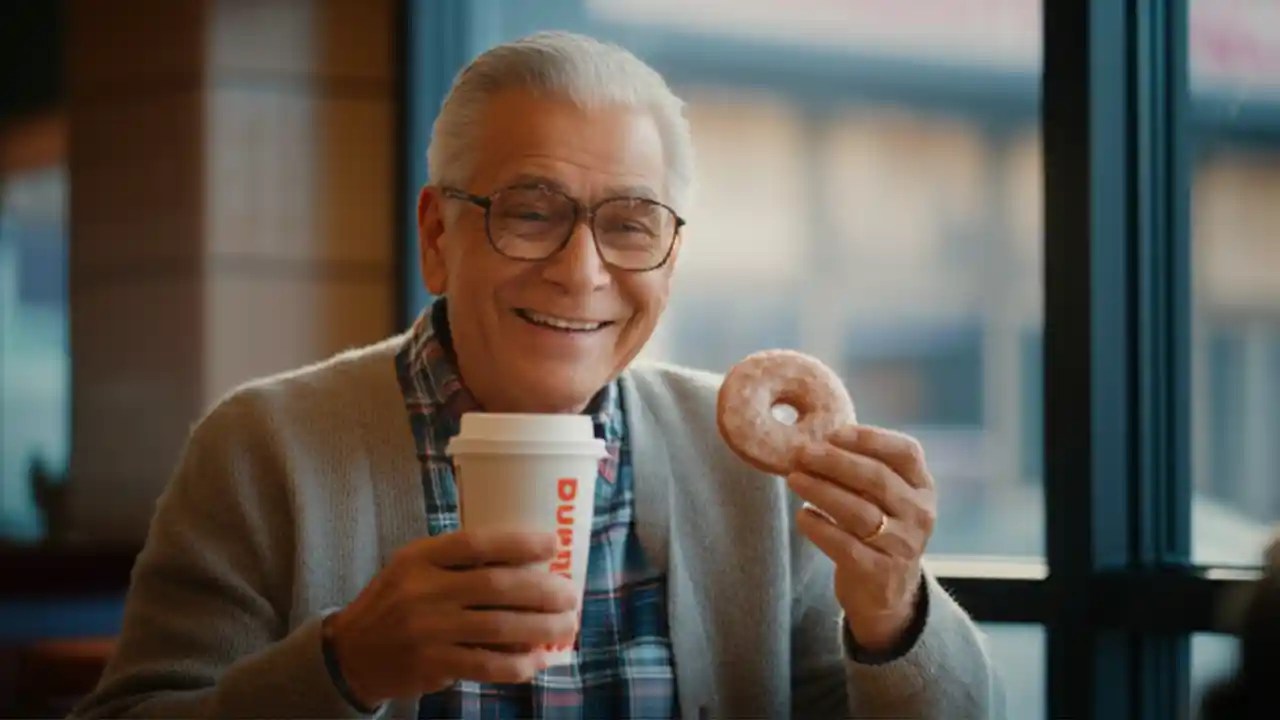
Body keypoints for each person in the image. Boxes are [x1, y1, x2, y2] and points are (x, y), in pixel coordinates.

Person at [72, 31, 1001, 719]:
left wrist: (893, 617)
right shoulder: (262, 451)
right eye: (530, 211)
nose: (582, 270)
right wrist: (344, 666)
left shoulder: (746, 475)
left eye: (631, 222)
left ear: (670, 260)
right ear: (439, 237)